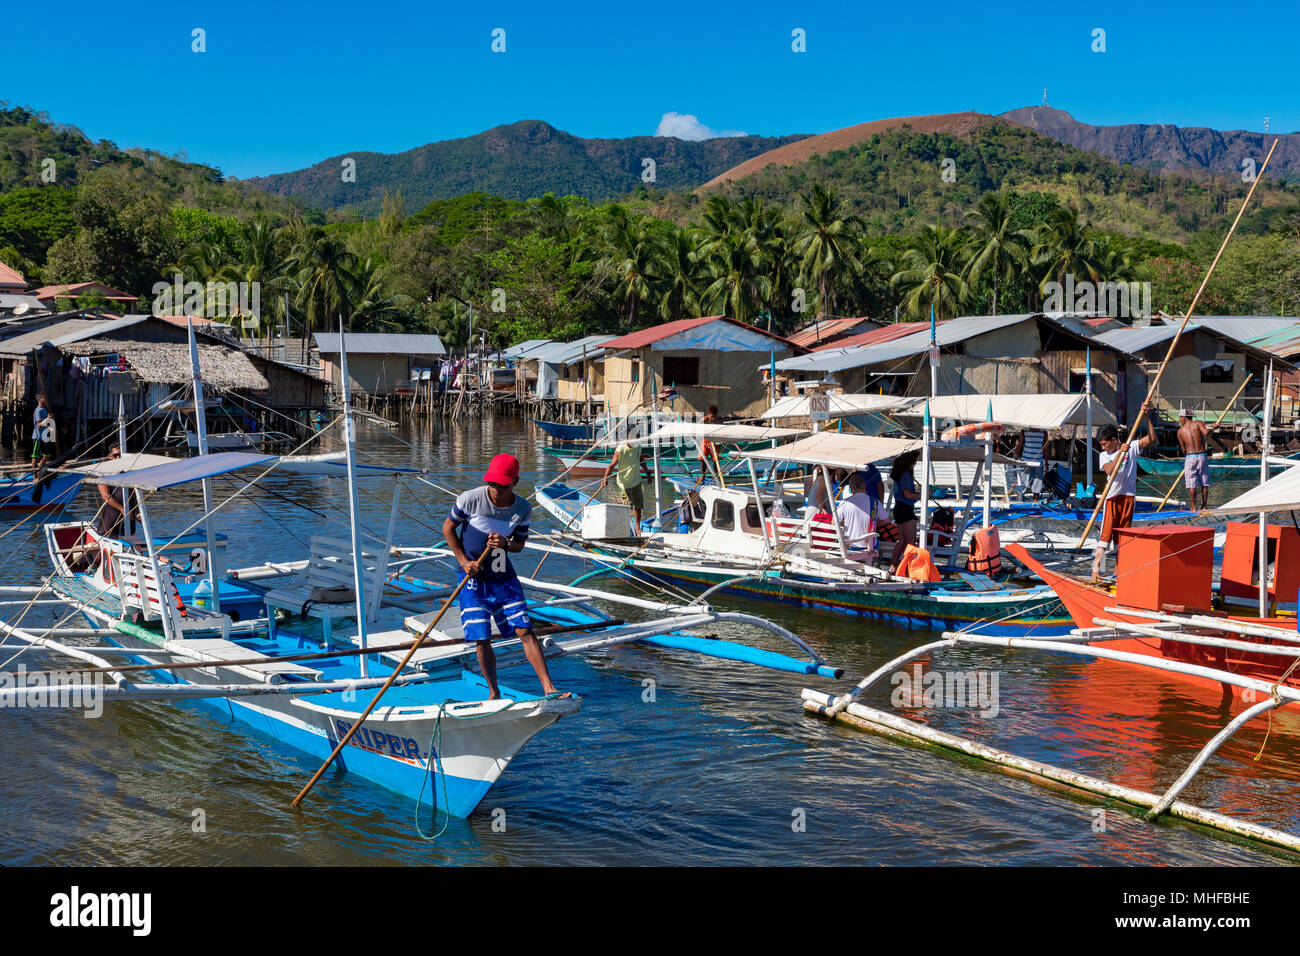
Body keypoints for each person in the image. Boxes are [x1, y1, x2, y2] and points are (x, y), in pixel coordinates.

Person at [442, 454, 567, 700]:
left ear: (515, 482)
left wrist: (505, 544)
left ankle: (549, 688)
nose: (497, 489)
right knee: (481, 636)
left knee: (524, 630)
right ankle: (493, 693)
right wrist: (464, 562)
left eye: (503, 485)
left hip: (503, 578)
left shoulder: (522, 508)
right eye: (493, 484)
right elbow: (448, 528)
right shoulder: (470, 499)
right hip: (473, 581)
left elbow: (519, 544)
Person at [1091, 404, 1157, 582]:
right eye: (1102, 445)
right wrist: (1120, 452)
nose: (1104, 447)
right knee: (1105, 537)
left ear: (1114, 439)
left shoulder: (1132, 447)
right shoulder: (1105, 456)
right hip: (1111, 497)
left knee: (1123, 538)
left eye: (1105, 444)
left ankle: (1118, 573)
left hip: (1128, 496)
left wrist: (1147, 416)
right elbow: (1110, 471)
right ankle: (1096, 572)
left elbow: (1151, 439)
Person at [598, 439, 651, 531]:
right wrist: (605, 478)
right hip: (625, 483)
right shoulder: (620, 449)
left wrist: (648, 473)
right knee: (626, 507)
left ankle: (637, 527)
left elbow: (640, 459)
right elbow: (611, 465)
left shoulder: (638, 445)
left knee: (638, 505)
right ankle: (625, 528)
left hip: (636, 480)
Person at [889, 450, 923, 574]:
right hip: (906, 509)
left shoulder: (899, 475)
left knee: (902, 541)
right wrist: (923, 495)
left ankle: (893, 567)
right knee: (910, 542)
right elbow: (908, 495)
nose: (915, 464)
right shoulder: (906, 476)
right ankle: (909, 569)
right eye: (914, 462)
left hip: (898, 508)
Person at [1176, 406, 1212, 511]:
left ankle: (1194, 506)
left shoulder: (1180, 431)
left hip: (1190, 457)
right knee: (1204, 482)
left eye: (1180, 418)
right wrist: (1212, 428)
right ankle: (1204, 506)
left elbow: (1183, 450)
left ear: (1183, 417)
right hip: (1202, 456)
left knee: (1191, 483)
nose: (1180, 420)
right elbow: (1205, 432)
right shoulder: (1198, 423)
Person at [96, 444, 136, 537]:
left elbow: (134, 494)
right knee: (110, 535)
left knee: (128, 537)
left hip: (128, 521)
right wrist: (122, 509)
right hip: (110, 520)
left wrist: (137, 512)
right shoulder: (103, 474)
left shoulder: (130, 473)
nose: (118, 457)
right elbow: (106, 496)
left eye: (120, 455)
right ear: (110, 456)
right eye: (115, 455)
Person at [834, 473, 876, 555]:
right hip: (869, 546)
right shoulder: (875, 502)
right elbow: (885, 520)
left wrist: (847, 522)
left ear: (850, 489)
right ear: (865, 487)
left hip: (850, 545)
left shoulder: (844, 502)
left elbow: (834, 522)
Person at [31, 396, 56, 477]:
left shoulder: (45, 409)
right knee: (35, 456)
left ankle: (39, 471)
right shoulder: (38, 410)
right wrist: (47, 419)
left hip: (44, 437)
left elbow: (46, 422)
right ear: (39, 400)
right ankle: (35, 474)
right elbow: (39, 425)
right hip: (38, 437)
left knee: (47, 455)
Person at [697, 405, 720, 481]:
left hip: (714, 441)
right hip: (706, 441)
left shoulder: (718, 420)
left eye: (714, 416)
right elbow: (697, 427)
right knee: (703, 458)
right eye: (712, 417)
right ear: (709, 414)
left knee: (715, 459)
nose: (713, 418)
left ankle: (716, 476)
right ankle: (703, 476)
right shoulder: (705, 419)